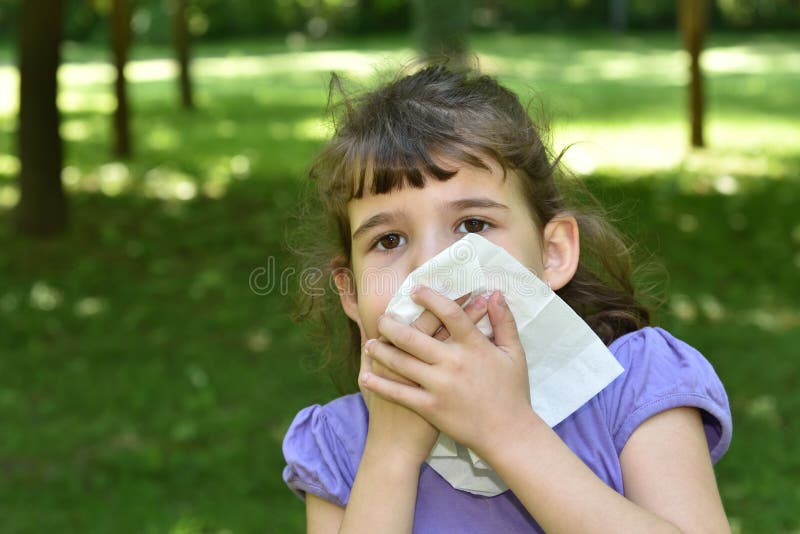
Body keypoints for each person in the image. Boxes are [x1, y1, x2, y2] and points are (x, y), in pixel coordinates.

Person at [281, 65, 732, 533]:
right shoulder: (339, 446)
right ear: (352, 293)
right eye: (389, 240)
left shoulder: (634, 385)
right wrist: (391, 453)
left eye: (472, 225)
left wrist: (507, 429)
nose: (430, 265)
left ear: (553, 253)